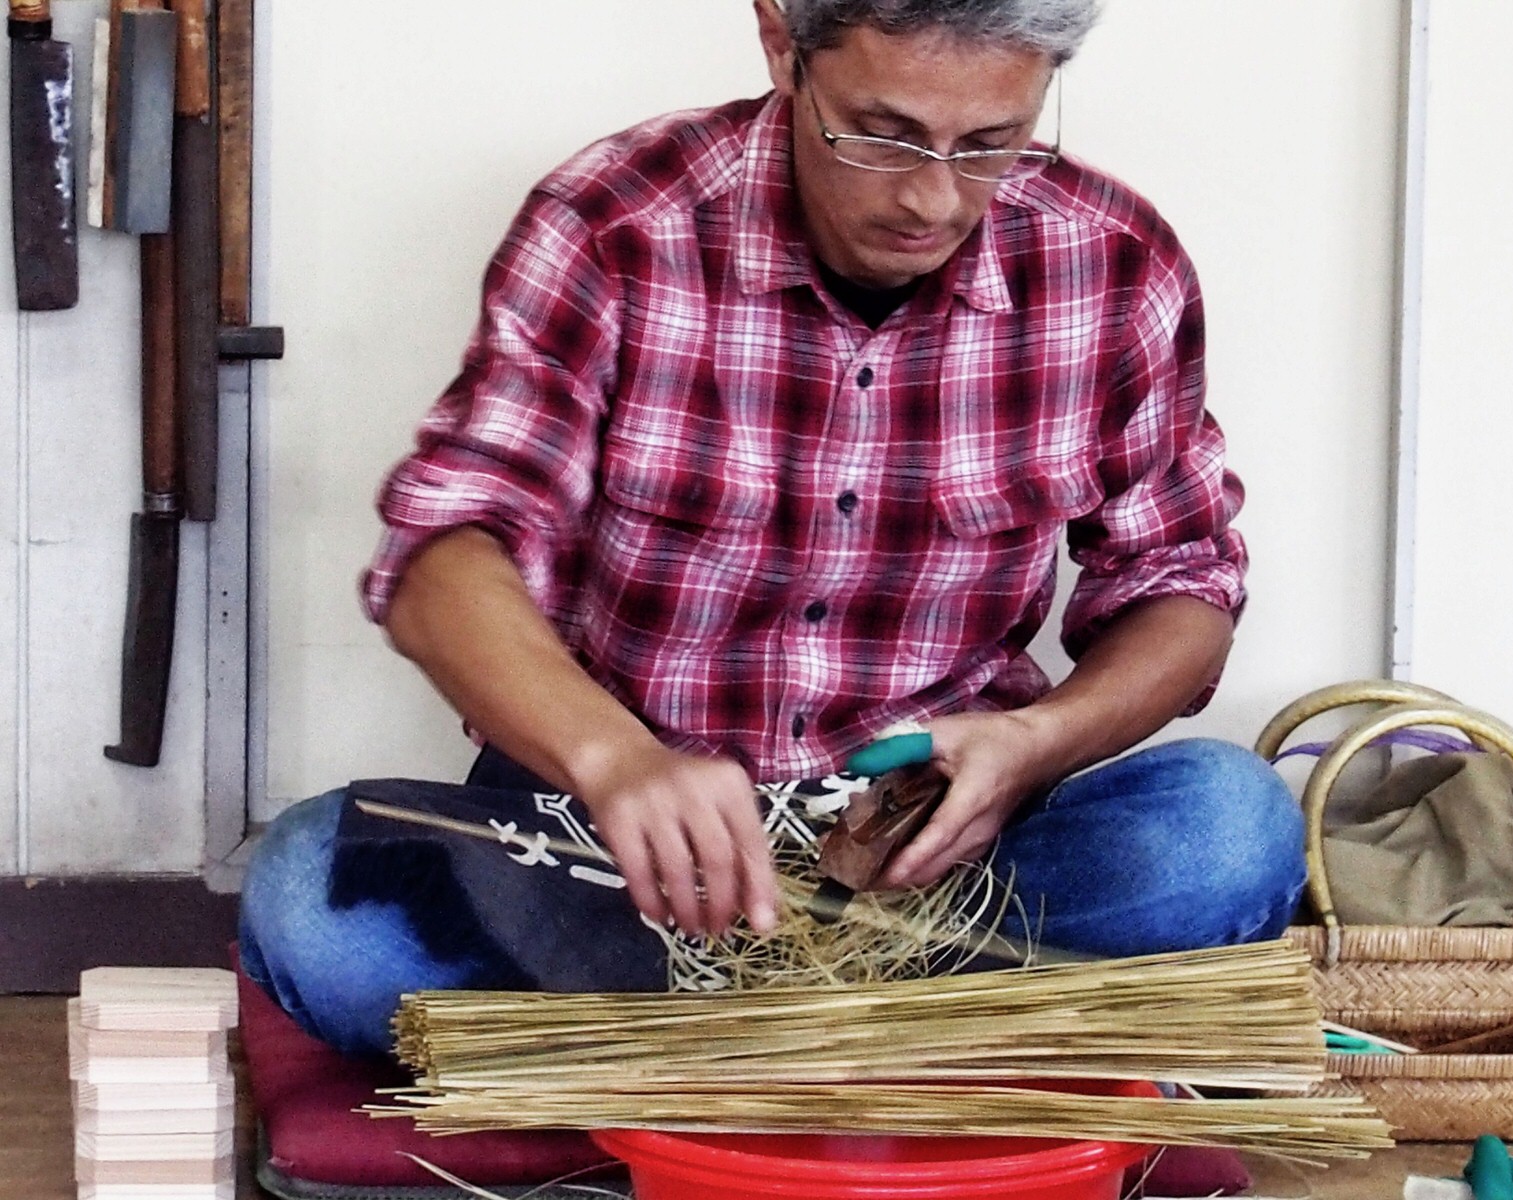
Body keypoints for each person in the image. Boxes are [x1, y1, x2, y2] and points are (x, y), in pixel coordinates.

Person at [241, 0, 1306, 1058]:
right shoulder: (614, 220)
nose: (932, 198)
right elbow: (445, 555)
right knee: (311, 898)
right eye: (881, 133)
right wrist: (616, 762)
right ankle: (920, 1048)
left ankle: (696, 1056)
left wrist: (1036, 746)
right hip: (624, 860)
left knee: (1229, 830)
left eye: (990, 144)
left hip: (942, 865)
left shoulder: (1111, 259)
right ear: (780, 43)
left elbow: (1184, 585)